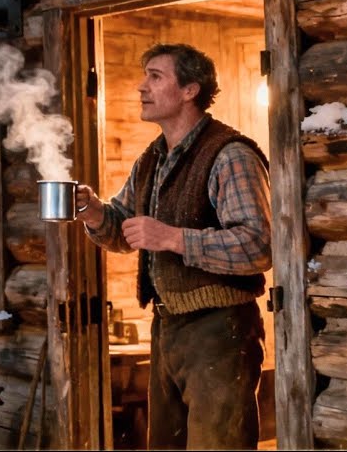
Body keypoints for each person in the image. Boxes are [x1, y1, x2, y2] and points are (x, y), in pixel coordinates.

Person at [74, 42, 272, 450]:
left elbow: (258, 245)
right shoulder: (151, 159)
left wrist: (171, 237)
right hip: (166, 328)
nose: (141, 87)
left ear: (189, 90)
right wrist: (93, 212)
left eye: (155, 76)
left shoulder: (230, 155)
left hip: (221, 331)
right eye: (144, 75)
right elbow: (123, 230)